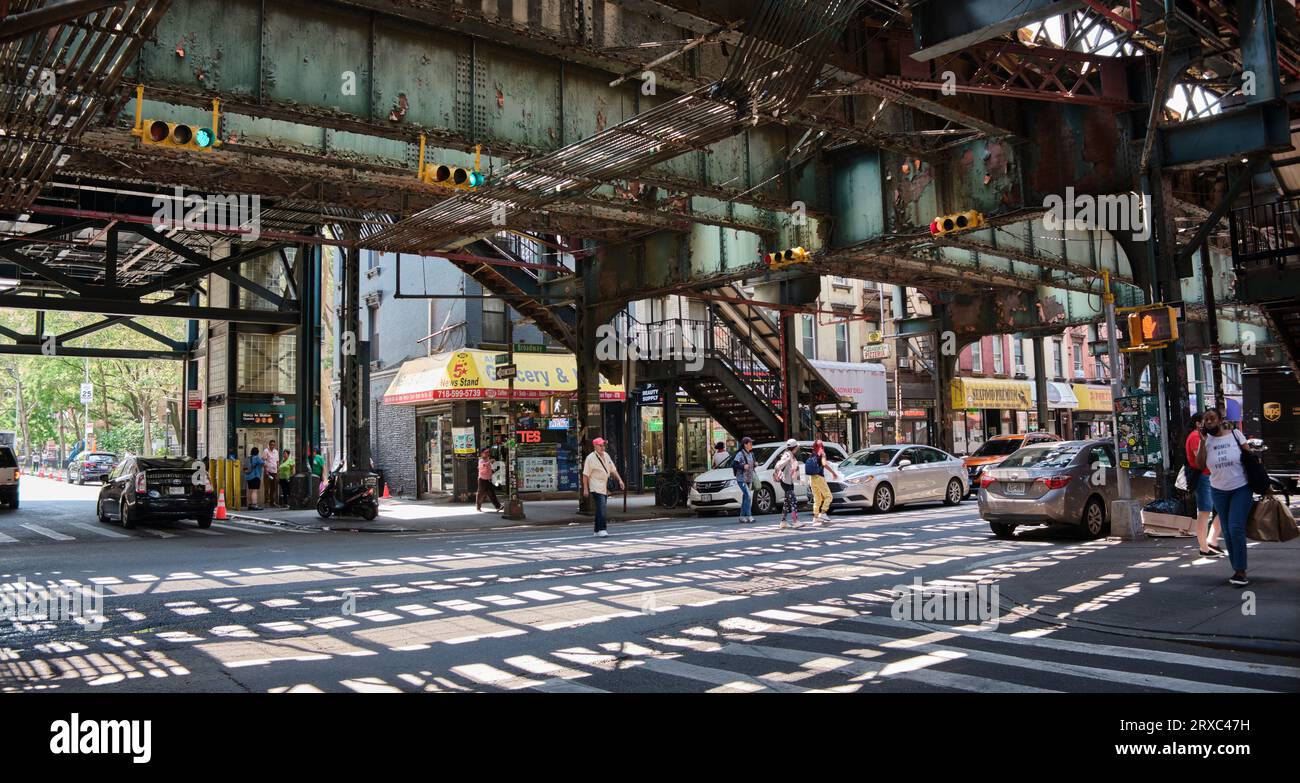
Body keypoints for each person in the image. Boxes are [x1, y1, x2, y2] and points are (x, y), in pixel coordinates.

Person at [1195, 408, 1255, 587]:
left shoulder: (1235, 435)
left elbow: (1250, 458)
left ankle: (1240, 570)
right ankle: (1236, 567)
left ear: (1221, 420)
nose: (1209, 422)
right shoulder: (1206, 441)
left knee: (1236, 527)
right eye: (1206, 420)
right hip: (1218, 490)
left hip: (1241, 487)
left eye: (1212, 418)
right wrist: (1202, 442)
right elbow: (1200, 465)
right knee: (1227, 531)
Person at [1184, 413, 1224, 557]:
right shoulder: (1196, 437)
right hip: (1204, 477)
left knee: (1218, 509)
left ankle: (1210, 542)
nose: (1209, 423)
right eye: (1206, 420)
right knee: (1204, 511)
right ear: (1198, 423)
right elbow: (1200, 460)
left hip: (1209, 476)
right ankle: (1204, 547)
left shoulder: (1201, 436)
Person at [582, 437, 623, 537]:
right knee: (602, 507)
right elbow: (585, 475)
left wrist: (620, 480)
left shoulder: (606, 455)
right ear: (595, 446)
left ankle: (597, 530)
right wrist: (585, 489)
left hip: (605, 487)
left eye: (603, 445)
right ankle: (602, 529)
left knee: (600, 508)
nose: (603, 447)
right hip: (596, 486)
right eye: (600, 445)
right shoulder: (590, 458)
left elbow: (613, 469)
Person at [806, 439, 841, 526]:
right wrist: (833, 473)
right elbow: (824, 464)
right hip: (819, 478)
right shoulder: (822, 453)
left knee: (817, 499)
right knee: (829, 496)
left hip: (811, 478)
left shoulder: (812, 454)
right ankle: (823, 513)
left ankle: (815, 518)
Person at [773, 439, 802, 529]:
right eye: (797, 446)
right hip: (785, 481)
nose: (797, 448)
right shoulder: (788, 455)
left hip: (789, 481)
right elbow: (778, 466)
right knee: (793, 500)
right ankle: (795, 521)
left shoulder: (790, 454)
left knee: (787, 502)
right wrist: (787, 461)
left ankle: (783, 522)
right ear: (794, 447)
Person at [731, 436, 757, 523]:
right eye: (750, 443)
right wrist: (742, 466)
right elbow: (734, 464)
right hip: (741, 479)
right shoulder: (740, 454)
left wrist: (755, 464)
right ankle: (749, 516)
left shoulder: (751, 454)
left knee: (746, 497)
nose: (751, 445)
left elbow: (752, 464)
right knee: (748, 496)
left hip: (749, 478)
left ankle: (742, 516)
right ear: (745, 445)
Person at [476, 448, 502, 512]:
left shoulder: (488, 460)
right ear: (482, 453)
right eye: (486, 452)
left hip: (489, 479)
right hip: (482, 479)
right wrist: (489, 462)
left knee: (492, 493)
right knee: (480, 494)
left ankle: (498, 506)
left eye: (488, 452)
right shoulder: (481, 460)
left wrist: (493, 466)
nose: (487, 453)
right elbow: (483, 466)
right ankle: (478, 507)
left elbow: (490, 468)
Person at [244, 446, 264, 511]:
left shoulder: (249, 458)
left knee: (251, 490)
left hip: (248, 476)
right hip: (255, 476)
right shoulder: (257, 457)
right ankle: (254, 504)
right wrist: (263, 459)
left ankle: (250, 504)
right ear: (257, 452)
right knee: (255, 491)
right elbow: (263, 463)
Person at [263, 439, 280, 507]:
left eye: (273, 445)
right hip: (268, 472)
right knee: (267, 487)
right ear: (269, 445)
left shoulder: (276, 451)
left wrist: (278, 468)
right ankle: (266, 502)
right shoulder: (266, 451)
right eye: (271, 445)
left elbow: (277, 461)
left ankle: (272, 502)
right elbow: (264, 460)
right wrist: (266, 470)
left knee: (273, 487)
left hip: (274, 472)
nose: (272, 446)